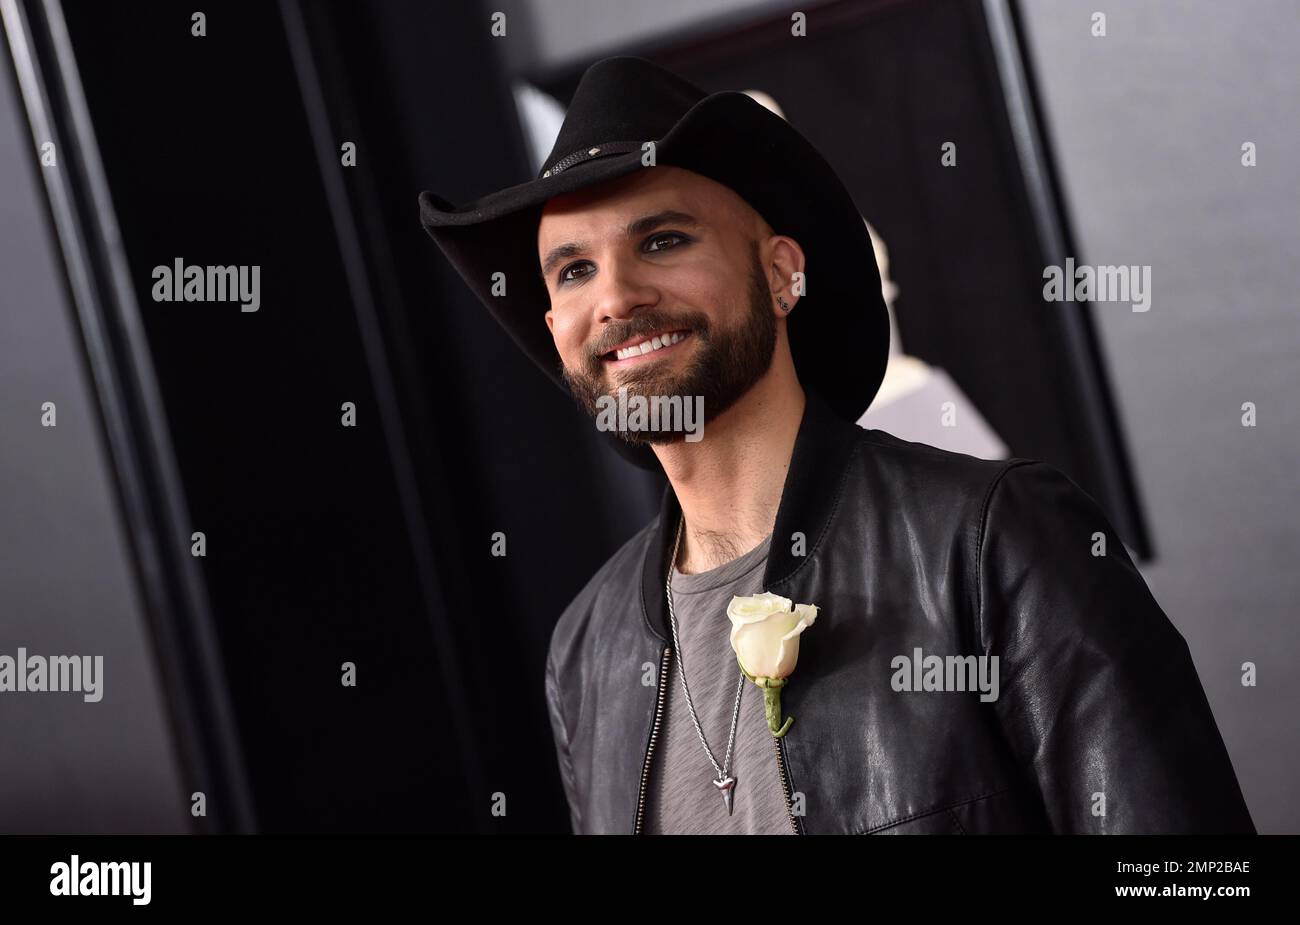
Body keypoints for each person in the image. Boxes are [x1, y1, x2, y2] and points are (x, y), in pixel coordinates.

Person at [419, 56, 1254, 835]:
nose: (617, 296)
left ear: (782, 272)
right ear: (555, 329)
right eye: (573, 272)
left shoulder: (993, 541)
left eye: (663, 240)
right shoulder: (587, 649)